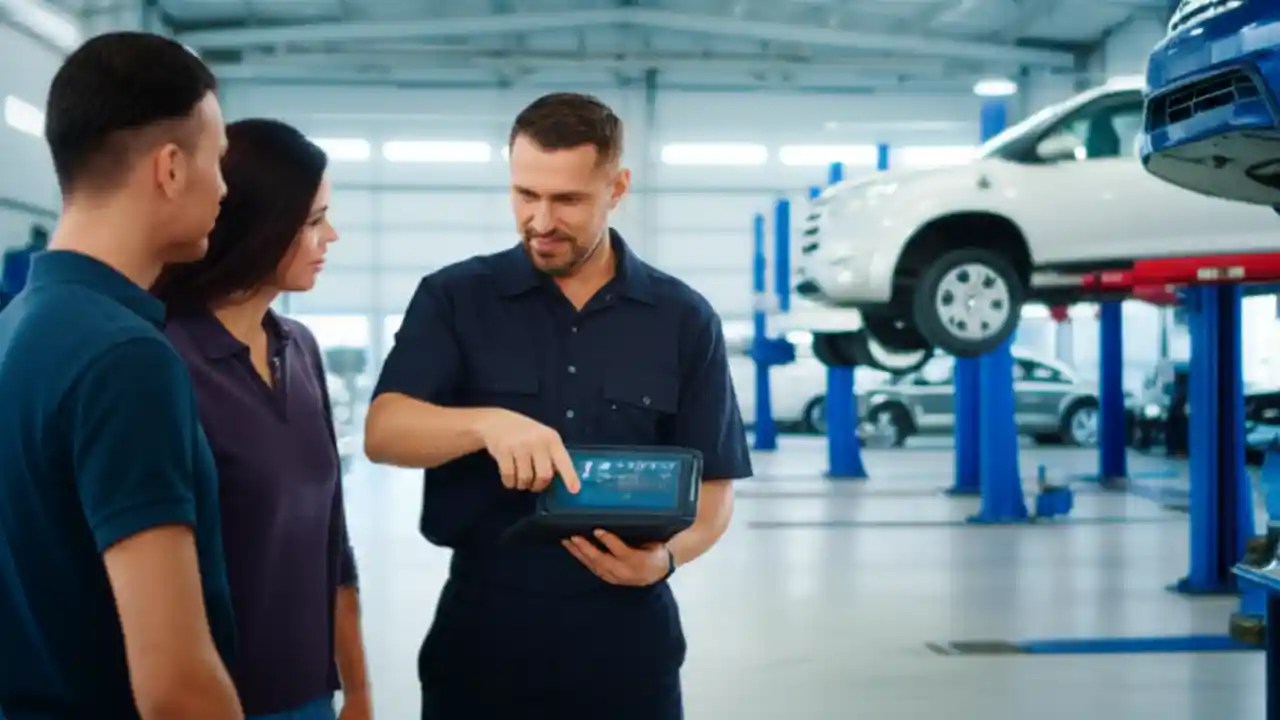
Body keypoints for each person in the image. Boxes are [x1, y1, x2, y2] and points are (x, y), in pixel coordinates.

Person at [365, 91, 753, 719]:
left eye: (567, 200)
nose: (541, 220)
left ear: (617, 187)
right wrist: (486, 424)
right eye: (525, 195)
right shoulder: (456, 298)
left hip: (627, 637)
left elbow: (715, 489)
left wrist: (667, 559)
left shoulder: (683, 319)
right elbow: (385, 431)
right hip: (484, 628)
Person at [0, 32, 242, 719]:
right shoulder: (123, 359)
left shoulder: (19, 326)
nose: (224, 188)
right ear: (170, 168)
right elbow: (176, 687)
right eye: (218, 161)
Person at [151, 118, 372, 720]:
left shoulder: (300, 349)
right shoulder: (162, 359)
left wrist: (357, 692)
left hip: (309, 696)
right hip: (213, 703)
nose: (332, 235)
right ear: (258, 227)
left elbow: (334, 542)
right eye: (312, 221)